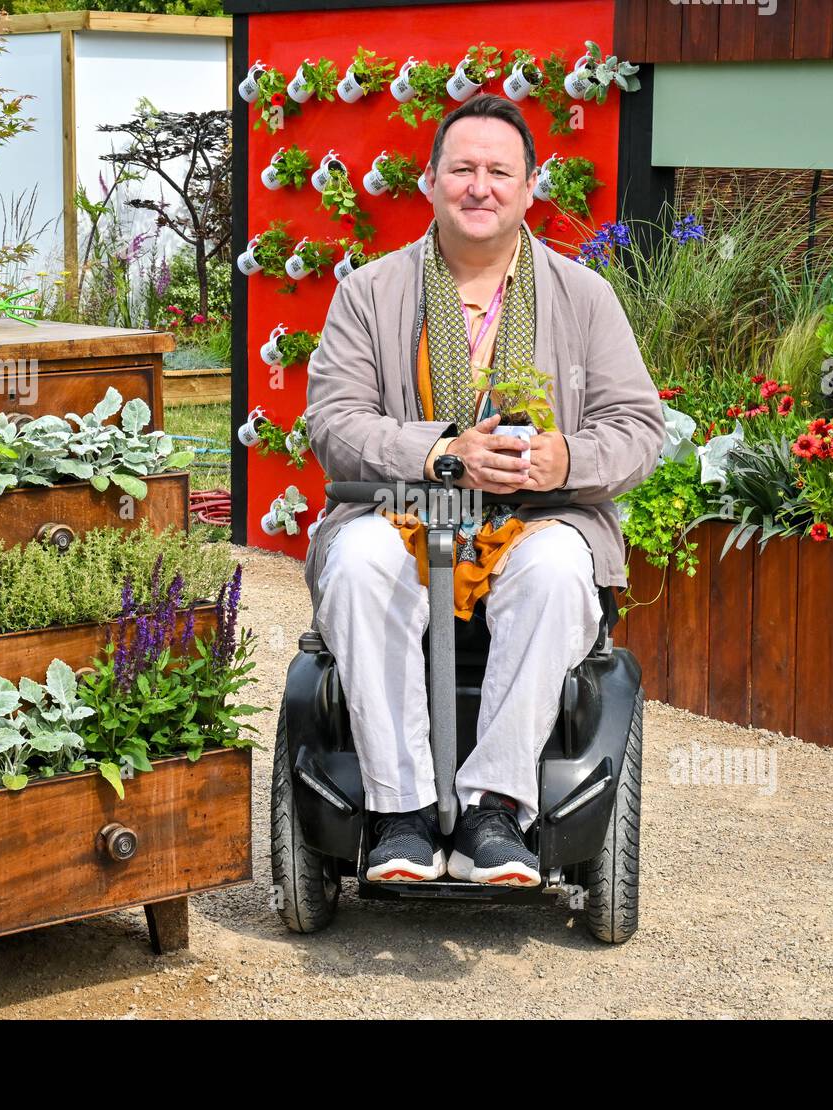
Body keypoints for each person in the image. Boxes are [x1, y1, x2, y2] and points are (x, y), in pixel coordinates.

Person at [303, 94, 663, 887]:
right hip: (396, 514)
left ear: (530, 187)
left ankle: (494, 811)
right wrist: (441, 454)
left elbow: (639, 427)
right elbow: (332, 422)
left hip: (539, 521)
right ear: (430, 182)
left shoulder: (584, 297)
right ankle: (400, 814)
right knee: (359, 560)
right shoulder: (369, 292)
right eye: (462, 168)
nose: (480, 186)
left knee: (559, 570)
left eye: (500, 171)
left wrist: (563, 460)